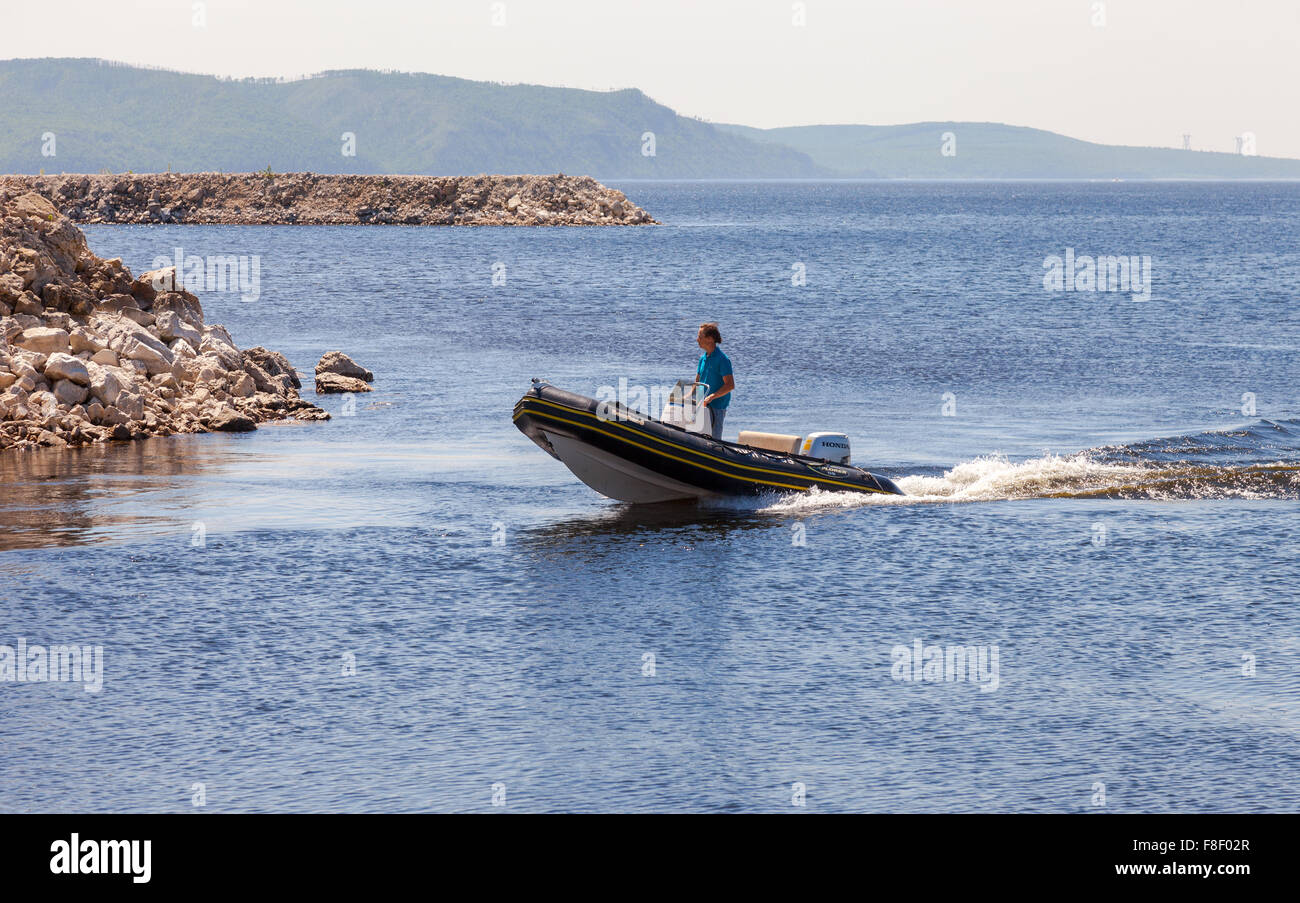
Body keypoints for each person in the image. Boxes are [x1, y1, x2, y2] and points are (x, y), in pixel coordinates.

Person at [695, 322, 734, 440]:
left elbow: (730, 385)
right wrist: (686, 397)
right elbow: (697, 382)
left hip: (716, 407)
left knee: (714, 441)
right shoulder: (703, 359)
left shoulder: (722, 359)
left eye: (700, 337)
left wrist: (711, 397)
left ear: (710, 339)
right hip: (702, 405)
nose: (697, 340)